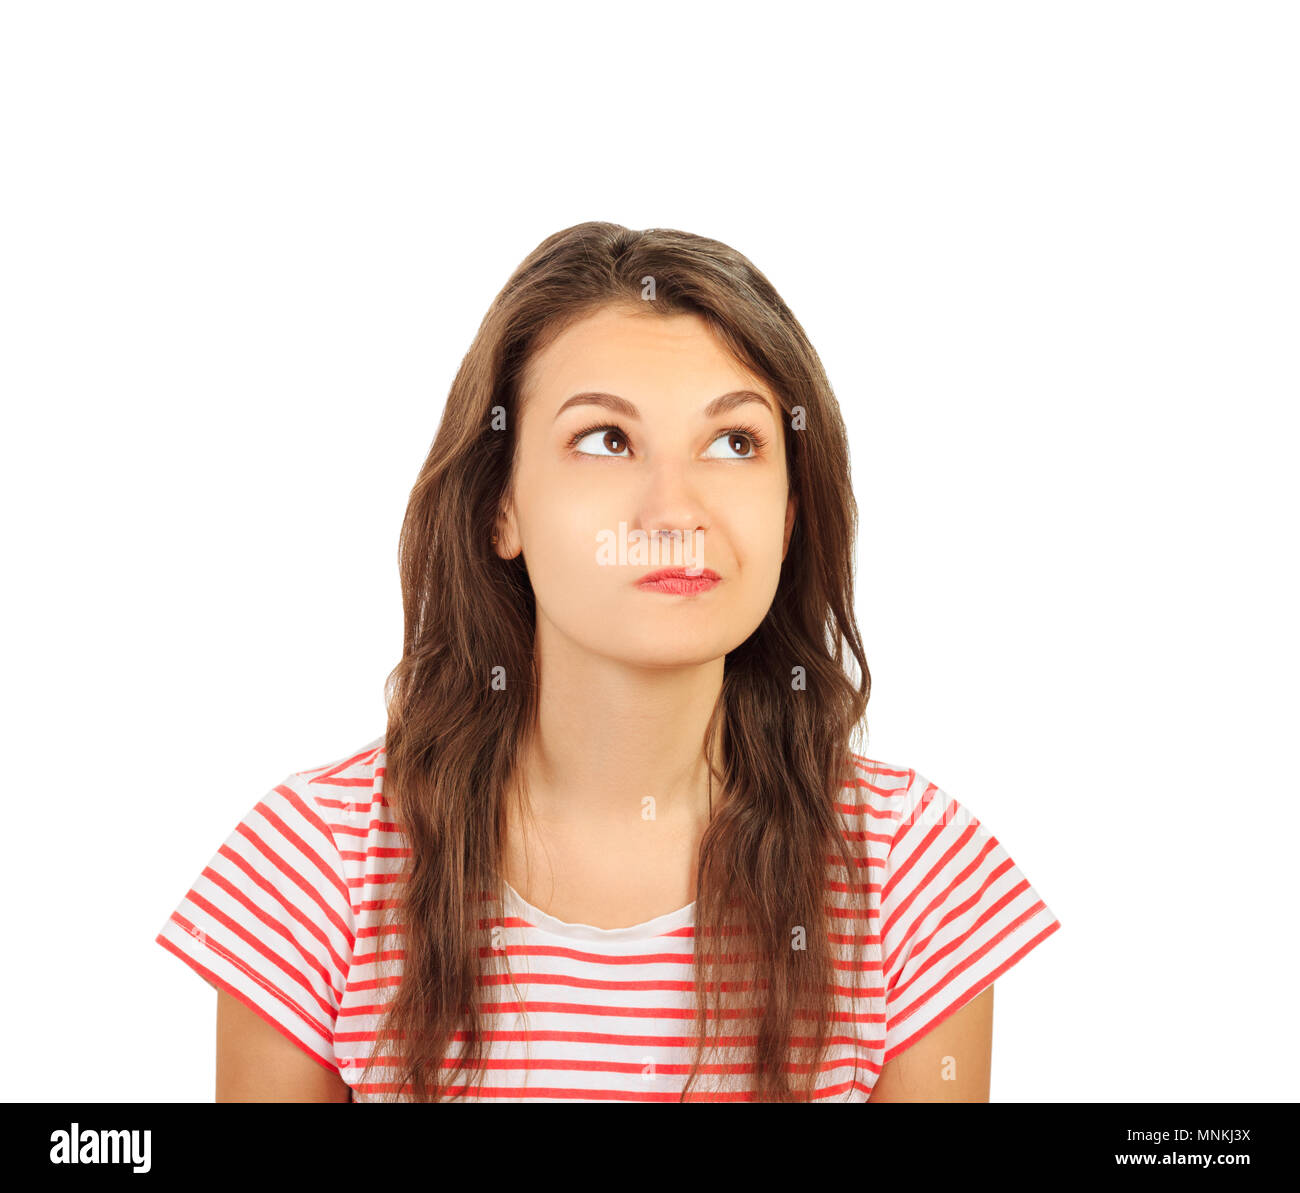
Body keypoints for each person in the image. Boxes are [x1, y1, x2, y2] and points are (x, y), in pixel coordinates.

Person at [155, 221, 1061, 1102]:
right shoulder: (320, 861)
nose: (676, 509)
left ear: (788, 517)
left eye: (735, 442)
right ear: (499, 507)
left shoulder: (914, 872)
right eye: (606, 439)